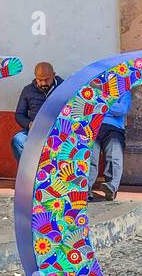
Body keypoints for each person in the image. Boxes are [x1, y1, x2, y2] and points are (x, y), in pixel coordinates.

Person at [12, 62, 126, 199]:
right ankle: (32, 178)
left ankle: (106, 188)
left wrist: (100, 103)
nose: (43, 83)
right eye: (39, 79)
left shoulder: (65, 88)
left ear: (53, 75)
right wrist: (29, 124)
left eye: (46, 79)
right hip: (37, 130)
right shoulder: (28, 90)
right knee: (18, 140)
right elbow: (19, 114)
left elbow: (120, 109)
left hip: (62, 130)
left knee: (106, 152)